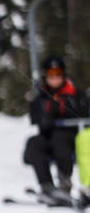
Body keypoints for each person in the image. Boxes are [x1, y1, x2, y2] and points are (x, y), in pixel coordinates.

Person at [25, 55, 86, 201]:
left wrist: (61, 109)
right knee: (34, 143)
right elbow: (34, 116)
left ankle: (64, 182)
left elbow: (83, 114)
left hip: (69, 137)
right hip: (48, 135)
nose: (54, 78)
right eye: (51, 75)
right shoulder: (41, 97)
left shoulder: (75, 94)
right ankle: (47, 186)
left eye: (58, 74)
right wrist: (46, 115)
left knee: (60, 139)